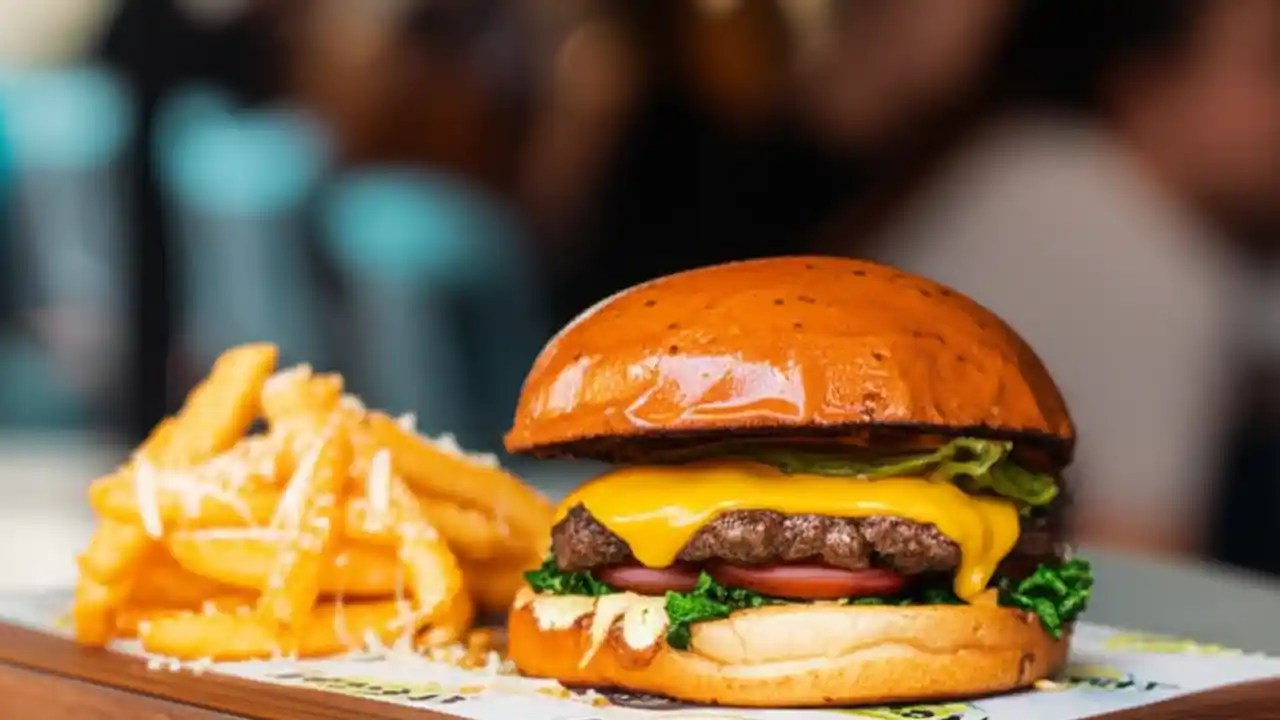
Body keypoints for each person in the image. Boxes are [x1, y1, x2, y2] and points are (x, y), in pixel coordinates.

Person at [853, 0, 1280, 556]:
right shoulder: (1134, 259)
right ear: (1147, 82)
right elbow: (1140, 579)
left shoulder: (1035, 161)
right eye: (1270, 63)